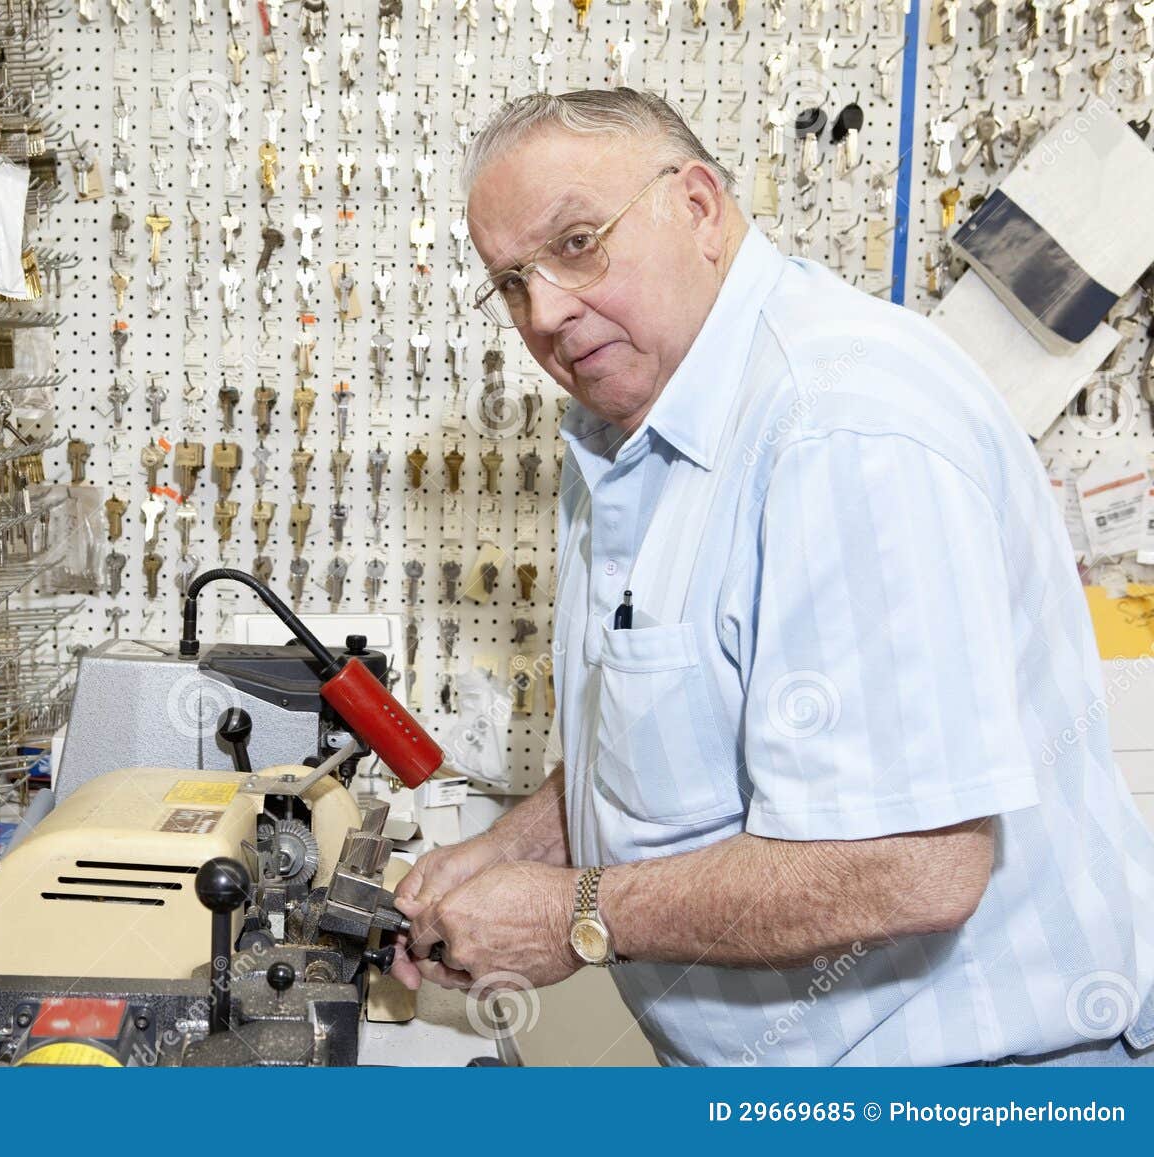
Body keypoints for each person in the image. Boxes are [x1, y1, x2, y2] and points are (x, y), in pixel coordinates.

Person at [390, 88, 1154, 1067]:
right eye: (510, 282)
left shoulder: (840, 428)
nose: (544, 312)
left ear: (699, 206)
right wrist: (519, 845)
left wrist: (575, 914)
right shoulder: (634, 430)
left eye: (577, 243)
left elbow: (910, 866)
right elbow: (686, 721)